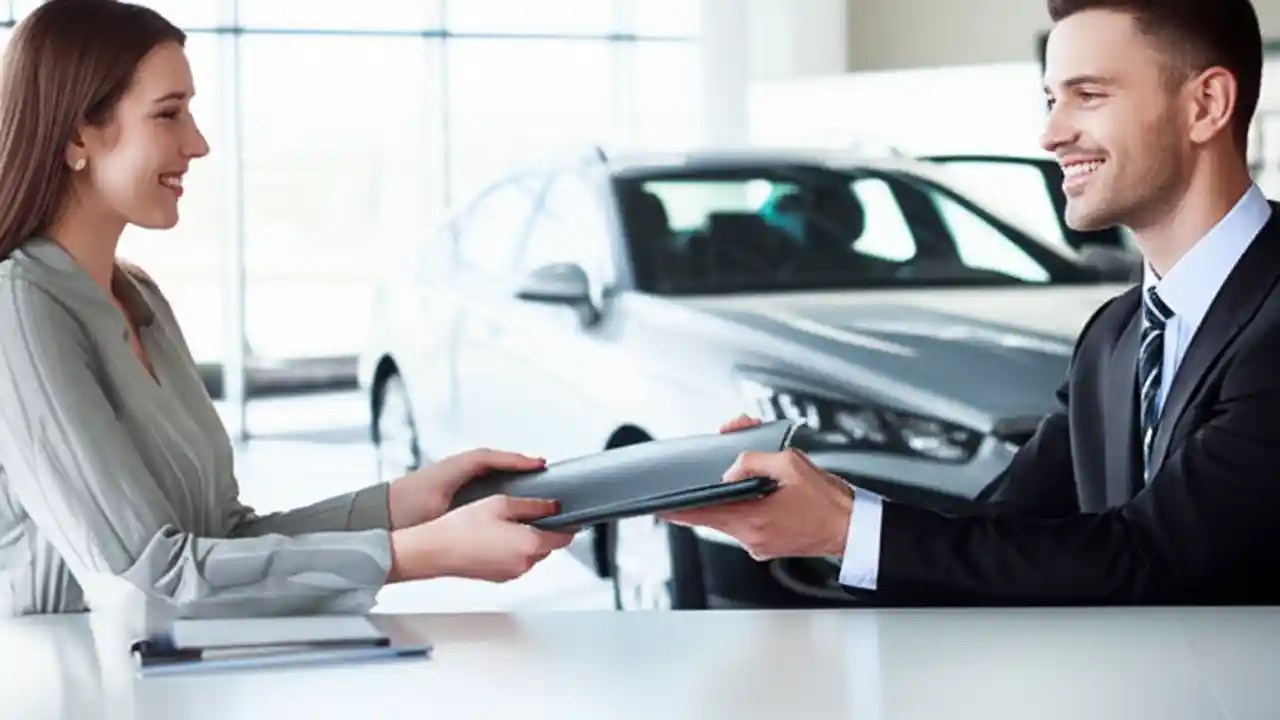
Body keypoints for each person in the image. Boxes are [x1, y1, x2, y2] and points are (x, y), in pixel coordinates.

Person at [667, 0, 1280, 605]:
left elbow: (1152, 557)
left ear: (1206, 105)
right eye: (1050, 100)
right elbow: (1003, 530)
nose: (1051, 134)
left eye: (1088, 95)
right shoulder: (1115, 336)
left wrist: (845, 525)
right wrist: (814, 503)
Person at [0, 0, 572, 618]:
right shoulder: (18, 309)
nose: (198, 143)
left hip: (172, 687)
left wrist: (406, 503)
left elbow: (225, 538)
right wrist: (414, 553)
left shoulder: (141, 301)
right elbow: (148, 583)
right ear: (77, 134)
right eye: (168, 114)